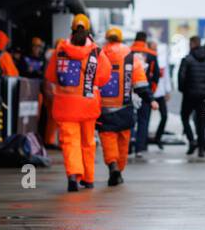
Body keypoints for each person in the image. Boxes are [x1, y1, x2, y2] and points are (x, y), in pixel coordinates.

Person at [44, 14, 112, 192]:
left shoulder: (60, 50)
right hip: (88, 105)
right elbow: (104, 76)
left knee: (69, 141)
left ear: (72, 30)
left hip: (65, 105)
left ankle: (73, 176)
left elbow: (51, 75)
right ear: (88, 30)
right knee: (88, 142)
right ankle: (89, 179)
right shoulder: (96, 52)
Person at [97, 27, 136, 185]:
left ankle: (112, 164)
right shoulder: (129, 55)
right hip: (124, 106)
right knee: (123, 140)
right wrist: (149, 98)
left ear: (107, 38)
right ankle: (119, 169)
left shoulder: (99, 53)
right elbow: (139, 79)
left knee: (108, 138)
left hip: (103, 107)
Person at [129, 31, 161, 157]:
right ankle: (139, 148)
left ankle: (129, 145)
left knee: (129, 120)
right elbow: (157, 75)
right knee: (143, 120)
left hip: (129, 91)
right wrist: (151, 92)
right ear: (145, 40)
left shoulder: (127, 52)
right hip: (145, 91)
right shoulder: (151, 55)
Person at [151, 40, 173, 146]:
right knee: (146, 118)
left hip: (160, 93)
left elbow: (166, 77)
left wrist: (167, 91)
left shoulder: (162, 61)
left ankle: (158, 137)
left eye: (156, 48)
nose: (155, 50)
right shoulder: (147, 58)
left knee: (164, 116)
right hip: (149, 93)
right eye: (153, 48)